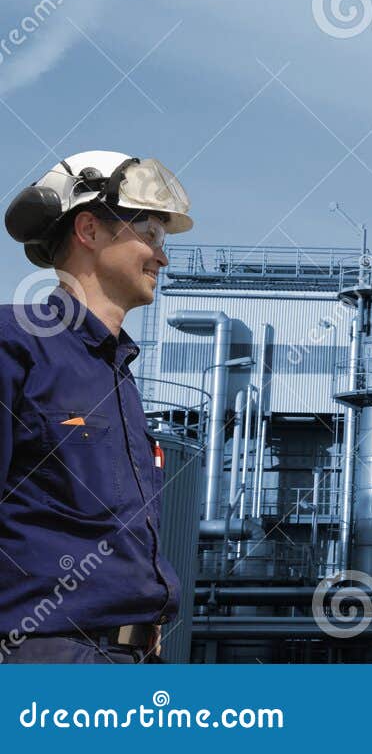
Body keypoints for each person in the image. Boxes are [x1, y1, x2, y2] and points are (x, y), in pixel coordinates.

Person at [0, 151, 193, 663]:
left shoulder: (117, 374)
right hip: (43, 658)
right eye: (150, 235)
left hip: (129, 658)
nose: (162, 257)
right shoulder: (14, 344)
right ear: (88, 229)